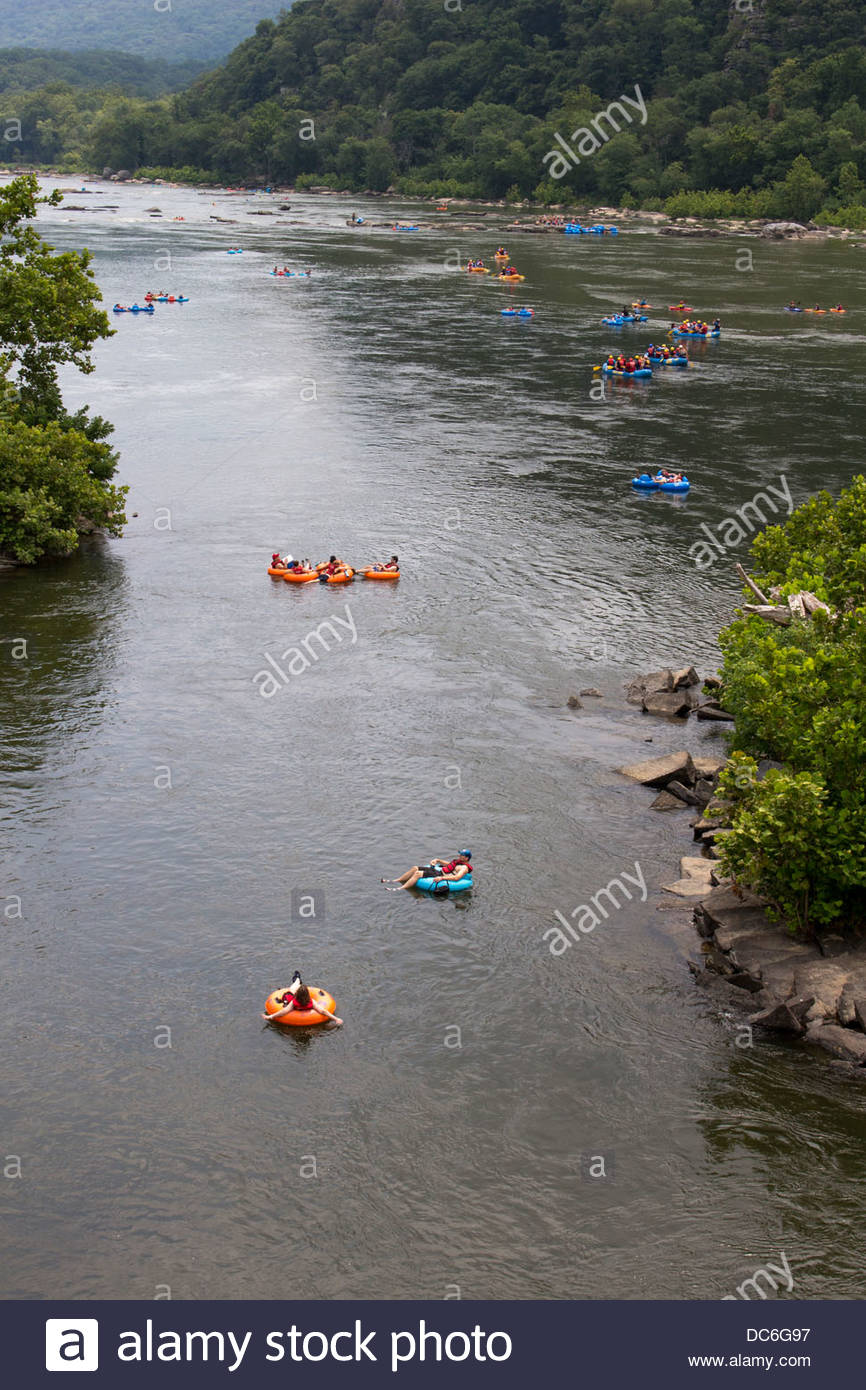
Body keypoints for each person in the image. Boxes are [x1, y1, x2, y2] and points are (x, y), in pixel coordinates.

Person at [262, 971, 343, 1026]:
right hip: (301, 1000)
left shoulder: (294, 1002)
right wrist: (336, 1019)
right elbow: (323, 1011)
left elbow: (283, 1012)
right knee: (294, 989)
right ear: (308, 995)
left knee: (291, 991)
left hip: (289, 999)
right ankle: (297, 980)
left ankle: (297, 979)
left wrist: (270, 1017)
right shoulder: (311, 1002)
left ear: (297, 995)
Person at [382, 852, 473, 892]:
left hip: (441, 875)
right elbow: (450, 865)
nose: (460, 855)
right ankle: (396, 880)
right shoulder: (459, 862)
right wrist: (438, 860)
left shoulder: (464, 868)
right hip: (440, 871)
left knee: (418, 874)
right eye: (460, 854)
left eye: (462, 855)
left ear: (466, 858)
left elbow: (456, 878)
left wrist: (441, 878)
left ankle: (401, 888)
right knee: (415, 868)